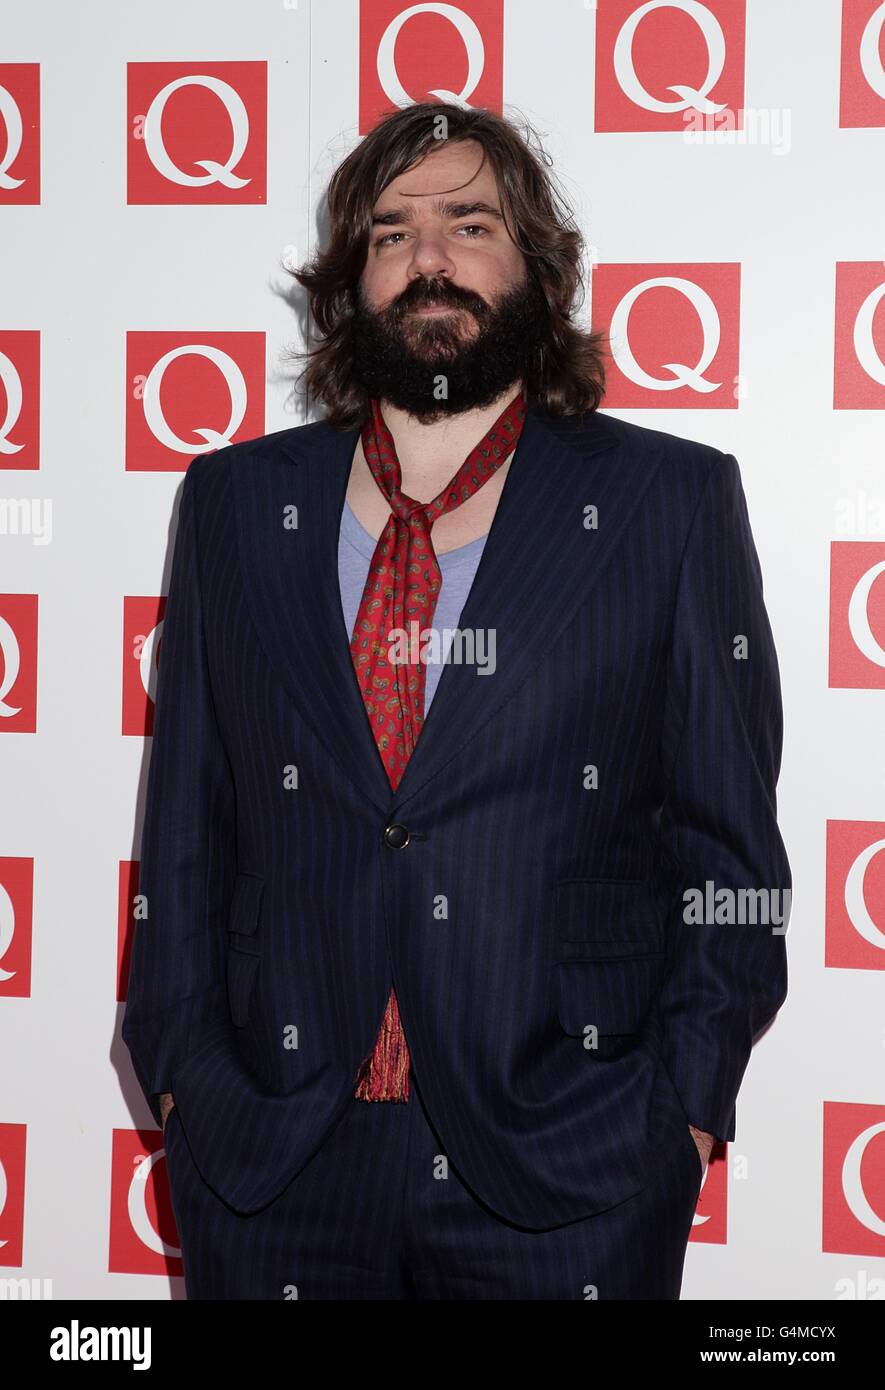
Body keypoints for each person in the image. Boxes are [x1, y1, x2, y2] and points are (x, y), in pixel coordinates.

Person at [122, 101, 790, 1300]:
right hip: (274, 1165)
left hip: (570, 1169)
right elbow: (186, 828)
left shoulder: (667, 504)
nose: (428, 257)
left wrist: (678, 1118)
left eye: (468, 223)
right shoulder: (233, 506)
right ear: (348, 285)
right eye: (390, 234)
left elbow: (727, 846)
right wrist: (185, 1081)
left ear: (536, 265)